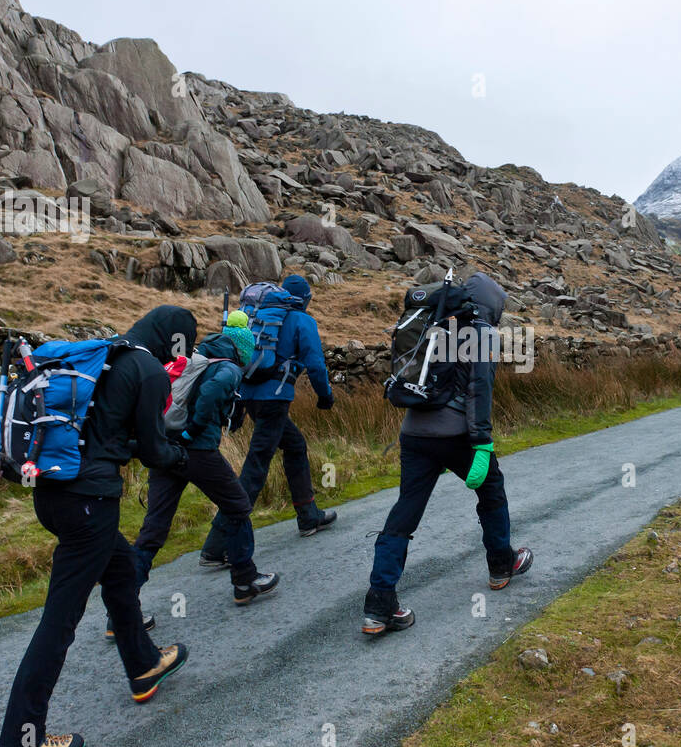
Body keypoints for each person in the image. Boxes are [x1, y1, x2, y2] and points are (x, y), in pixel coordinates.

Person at [0, 305, 195, 747]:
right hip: (90, 503)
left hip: (53, 493)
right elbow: (152, 449)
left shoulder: (102, 358)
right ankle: (20, 745)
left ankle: (144, 665)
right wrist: (183, 455)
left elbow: (97, 434)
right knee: (60, 620)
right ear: (174, 341)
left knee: (121, 570)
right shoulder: (148, 370)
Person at [362, 272, 532, 635]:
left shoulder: (435, 324)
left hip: (414, 433)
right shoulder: (481, 333)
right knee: (490, 489)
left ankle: (379, 604)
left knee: (405, 511)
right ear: (492, 305)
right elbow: (479, 391)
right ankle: (502, 563)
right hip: (456, 436)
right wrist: (483, 444)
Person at [130, 325, 280, 606]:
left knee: (154, 528)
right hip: (197, 451)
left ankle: (122, 608)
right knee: (237, 505)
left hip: (165, 450)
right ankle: (245, 580)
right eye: (249, 351)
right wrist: (193, 430)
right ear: (241, 349)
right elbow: (212, 393)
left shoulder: (194, 359)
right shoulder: (229, 368)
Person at [199, 274, 336, 566]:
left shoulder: (255, 316)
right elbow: (315, 365)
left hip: (247, 394)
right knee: (256, 466)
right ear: (306, 299)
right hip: (274, 398)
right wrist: (325, 397)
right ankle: (217, 545)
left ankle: (308, 514)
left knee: (295, 445)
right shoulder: (302, 321)